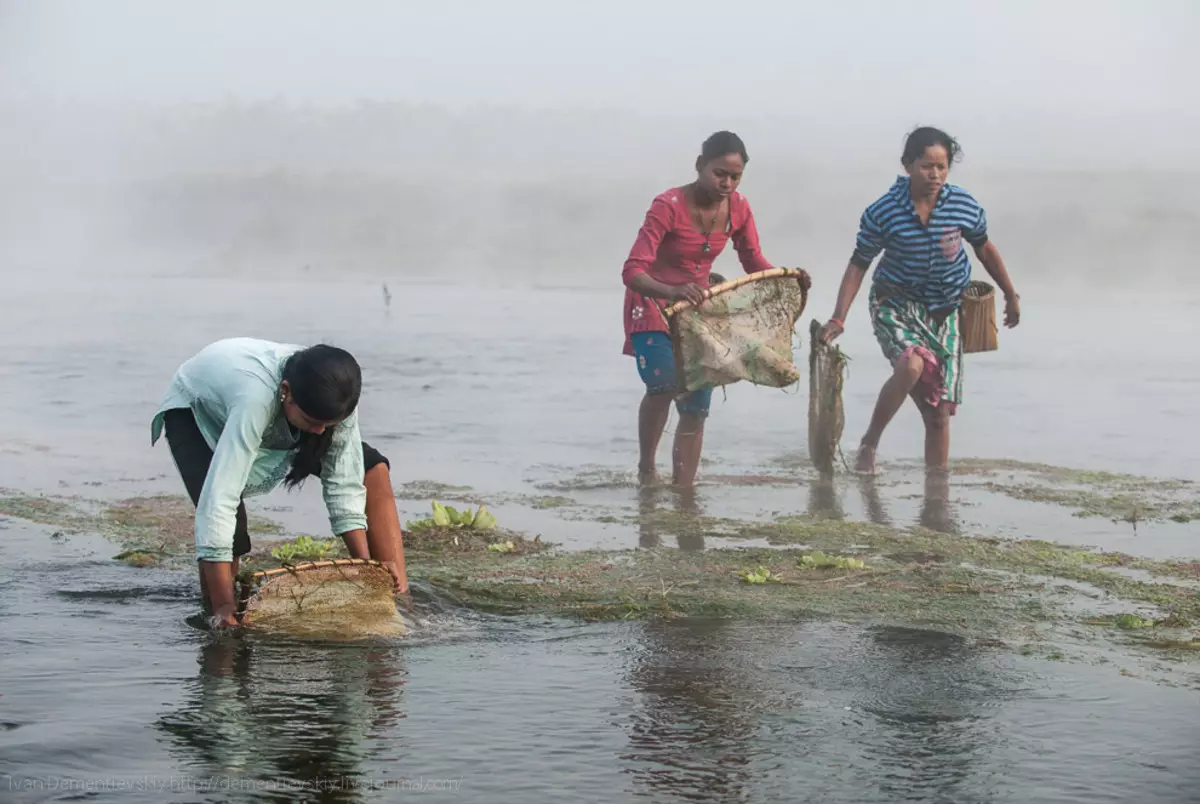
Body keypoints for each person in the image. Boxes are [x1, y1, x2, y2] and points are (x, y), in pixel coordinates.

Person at [150, 337, 410, 628]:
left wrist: (366, 571)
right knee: (231, 530)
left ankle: (397, 596)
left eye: (330, 424)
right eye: (314, 422)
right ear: (286, 392)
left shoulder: (337, 396)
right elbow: (220, 500)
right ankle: (219, 614)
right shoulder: (255, 399)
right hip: (196, 410)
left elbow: (344, 482)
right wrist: (224, 607)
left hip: (280, 406)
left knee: (372, 469)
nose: (321, 431)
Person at [819, 126, 1021, 474]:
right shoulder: (884, 212)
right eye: (927, 166)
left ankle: (935, 497)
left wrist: (1009, 293)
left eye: (942, 167)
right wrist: (839, 317)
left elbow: (984, 247)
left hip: (946, 311)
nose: (935, 175)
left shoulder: (962, 204)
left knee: (938, 413)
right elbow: (859, 264)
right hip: (895, 304)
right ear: (908, 165)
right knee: (912, 364)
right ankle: (870, 442)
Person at [621, 131, 810, 487]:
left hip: (699, 312)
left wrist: (787, 281)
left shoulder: (738, 207)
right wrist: (672, 290)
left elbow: (753, 259)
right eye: (719, 173)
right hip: (652, 304)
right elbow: (632, 271)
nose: (726, 183)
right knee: (662, 387)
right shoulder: (668, 205)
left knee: (695, 401)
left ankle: (684, 488)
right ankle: (647, 469)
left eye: (735, 176)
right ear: (700, 166)